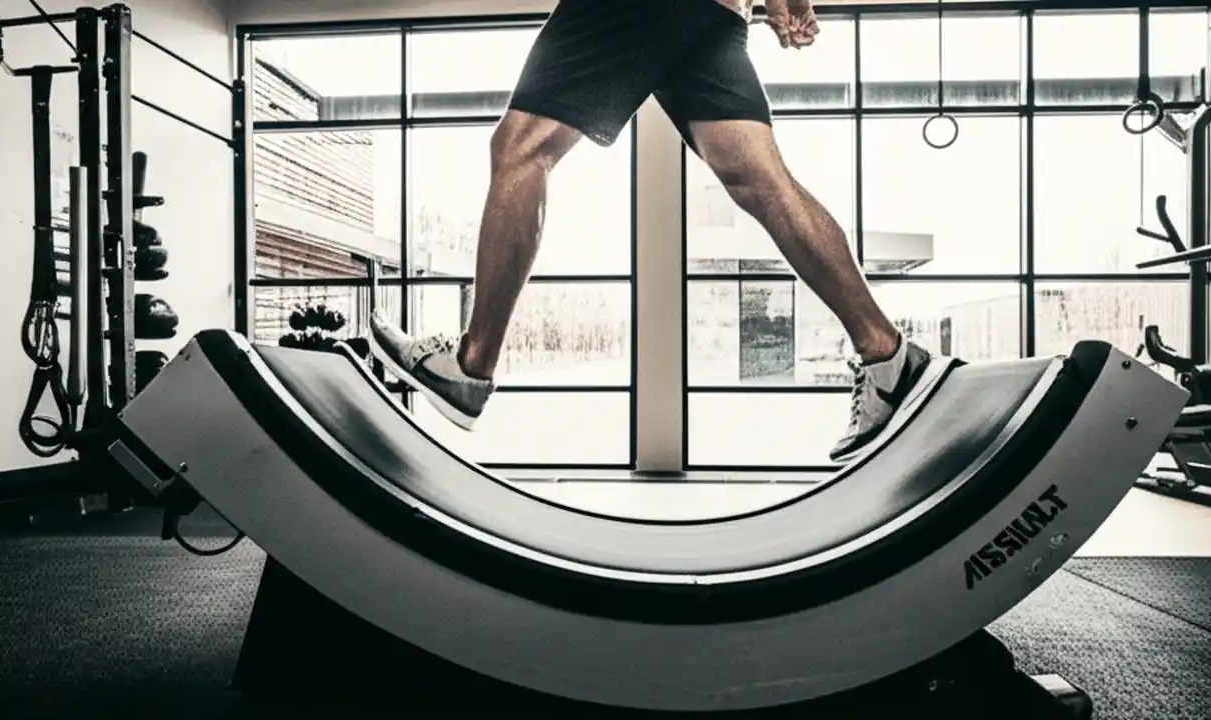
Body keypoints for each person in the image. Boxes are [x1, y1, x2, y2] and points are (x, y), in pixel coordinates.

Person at [370, 0, 932, 462]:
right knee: (762, 182)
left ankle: (471, 366)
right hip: (715, 15)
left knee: (520, 150)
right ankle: (887, 356)